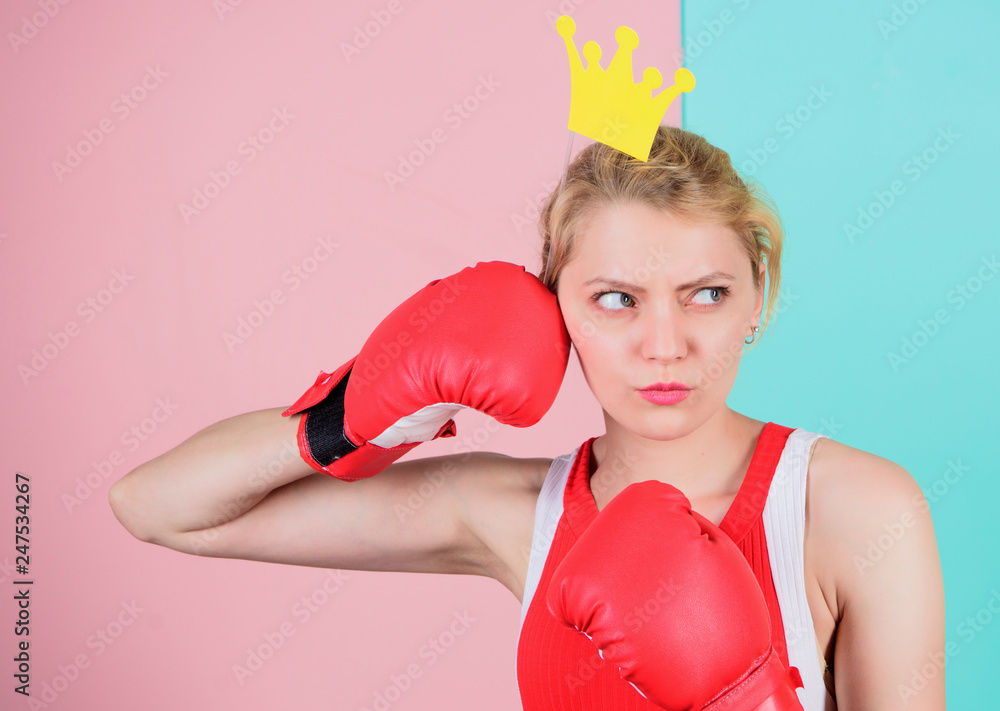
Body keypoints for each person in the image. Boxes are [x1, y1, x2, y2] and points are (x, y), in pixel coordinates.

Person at [108, 124, 946, 710]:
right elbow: (157, 506)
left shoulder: (854, 510)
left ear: (755, 297)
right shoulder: (512, 514)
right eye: (615, 299)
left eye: (707, 294)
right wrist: (352, 412)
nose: (665, 345)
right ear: (555, 310)